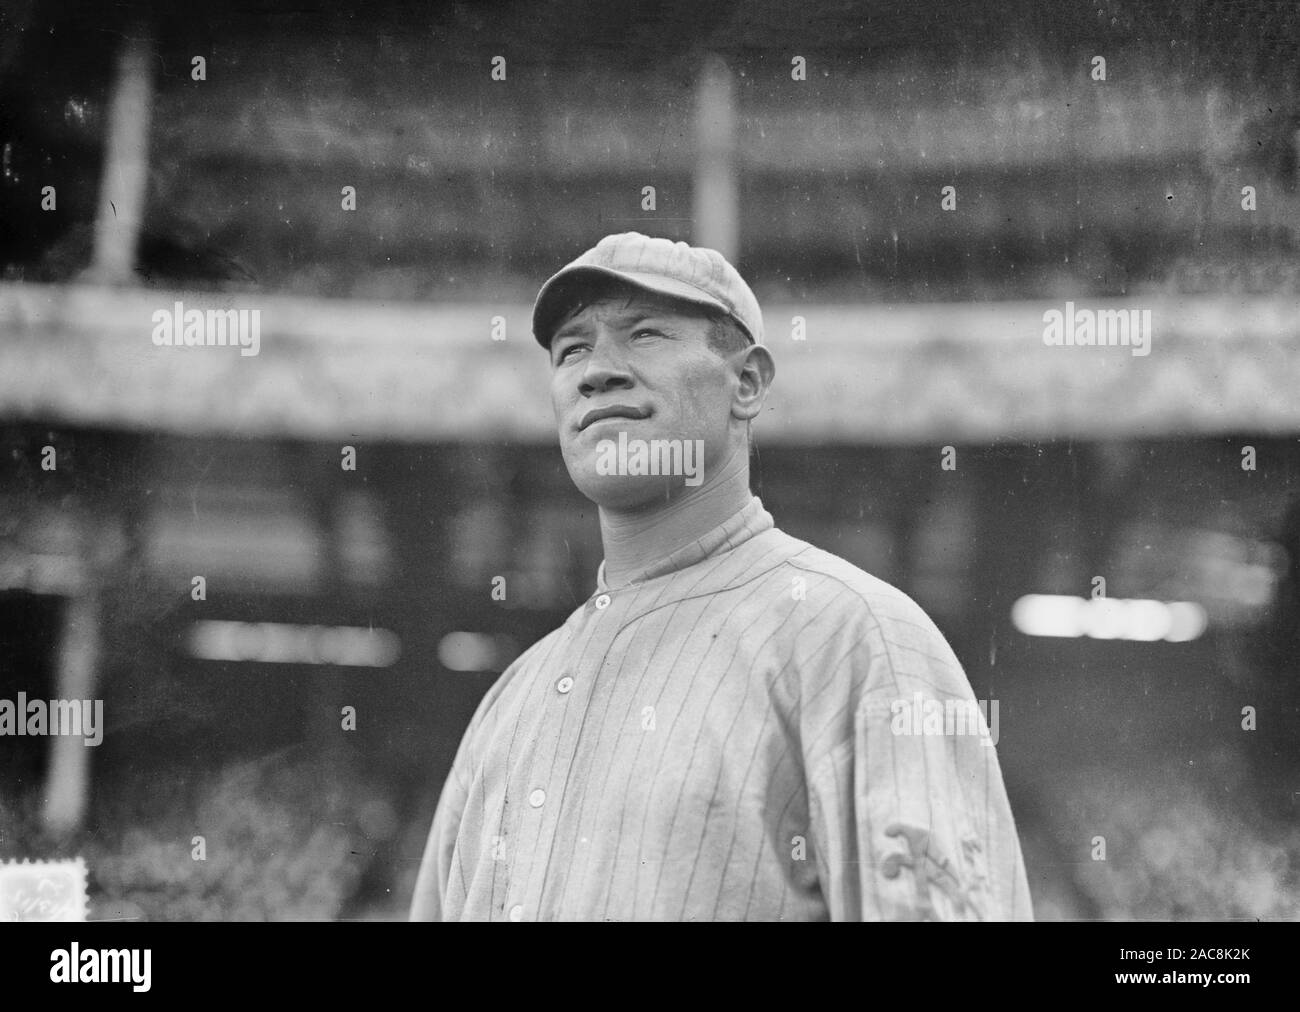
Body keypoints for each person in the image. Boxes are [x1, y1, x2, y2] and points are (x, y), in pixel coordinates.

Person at [410, 232, 1032, 921]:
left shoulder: (860, 638)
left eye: (643, 335)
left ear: (748, 382)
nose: (596, 371)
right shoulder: (511, 701)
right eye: (572, 349)